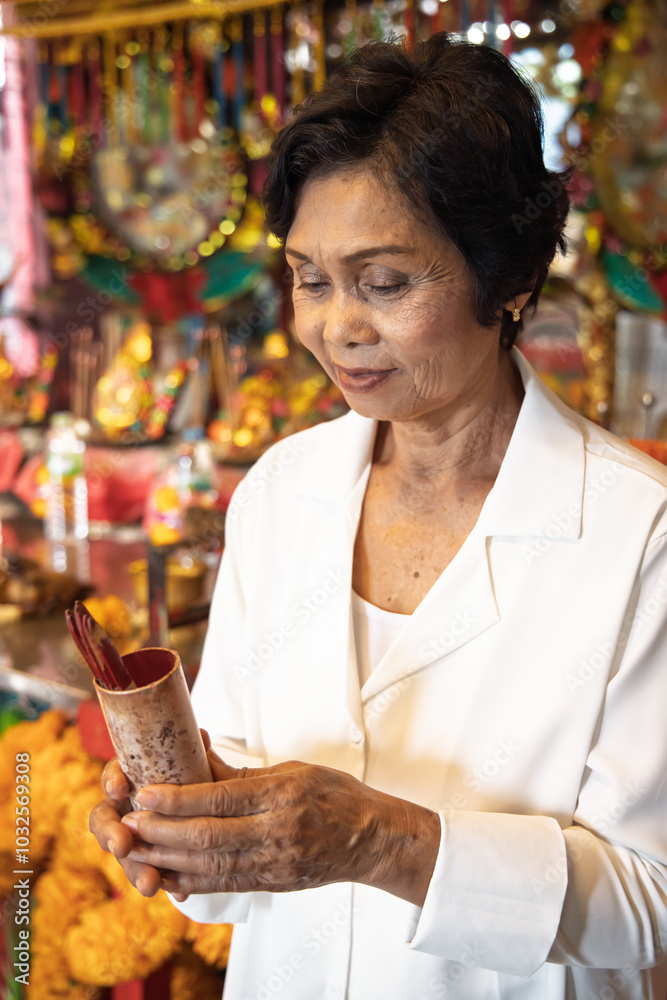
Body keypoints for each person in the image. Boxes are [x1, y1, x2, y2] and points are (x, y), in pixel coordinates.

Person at [90, 33, 667, 999]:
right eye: (310, 279)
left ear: (507, 280)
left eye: (385, 283)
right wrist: (190, 829)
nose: (336, 327)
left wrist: (377, 840)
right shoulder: (281, 491)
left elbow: (648, 901)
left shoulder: (635, 535)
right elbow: (235, 849)